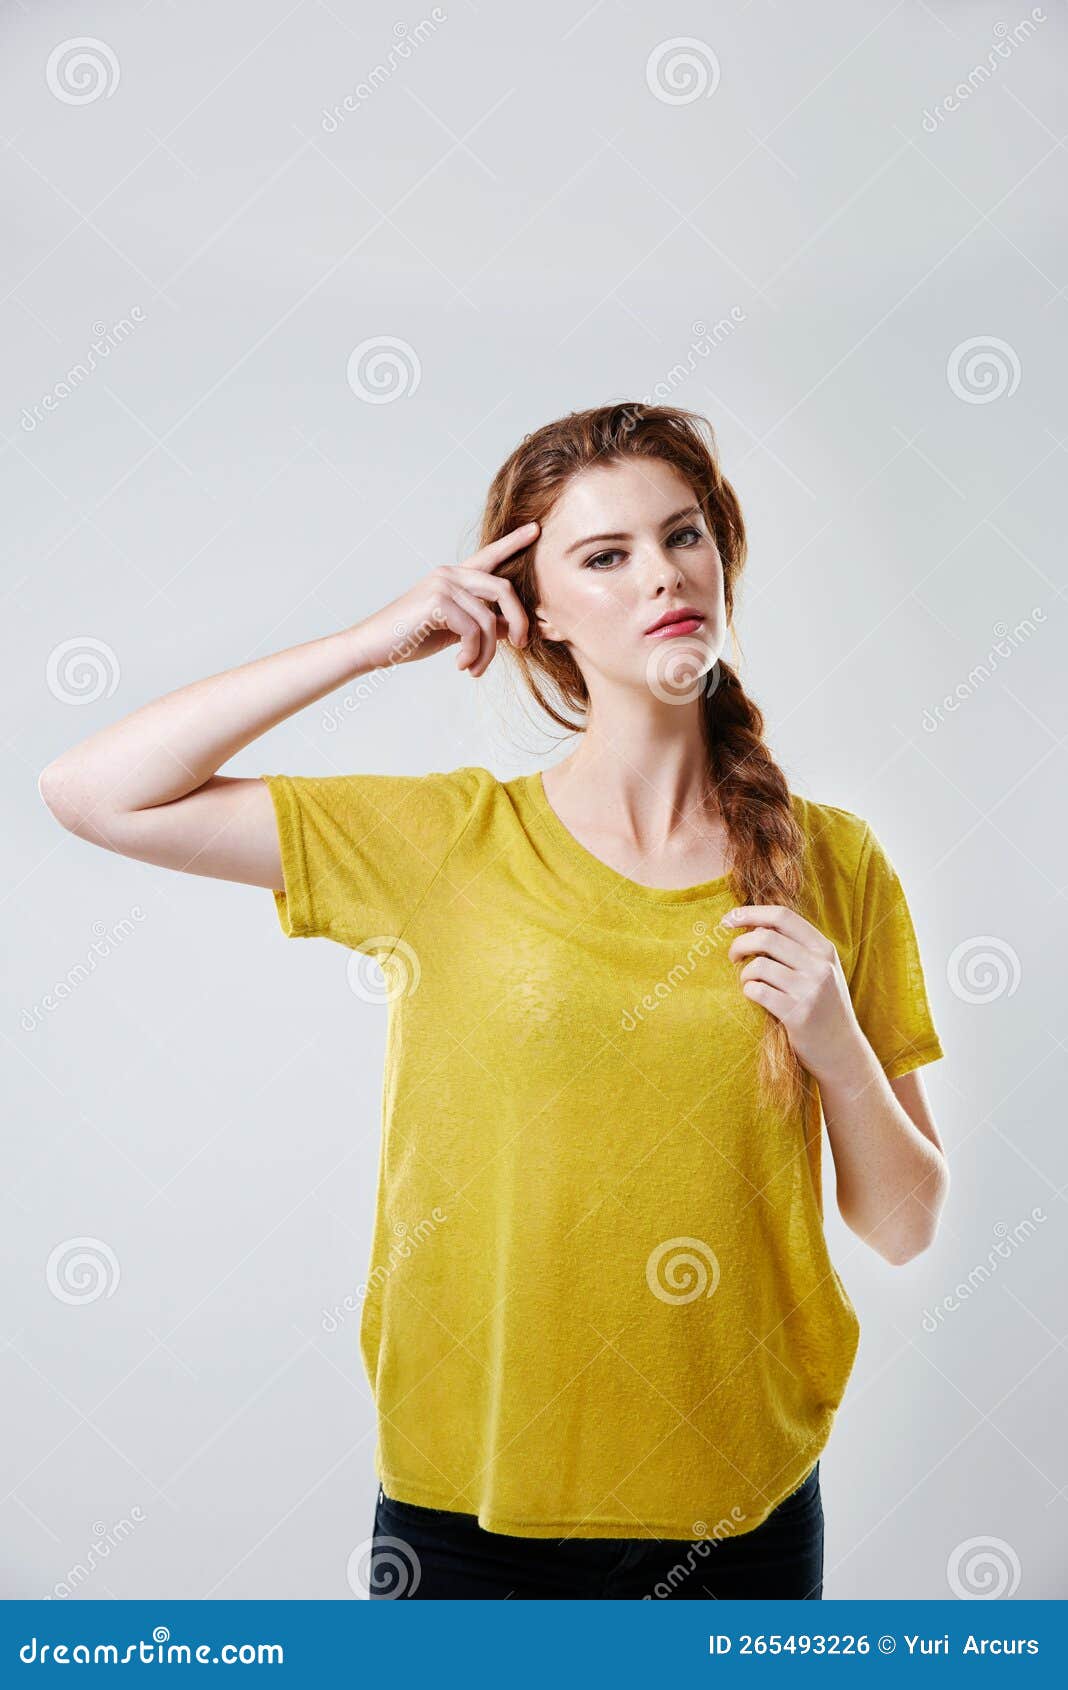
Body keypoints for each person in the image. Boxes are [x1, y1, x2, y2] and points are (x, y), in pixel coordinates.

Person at [39, 402, 949, 1601]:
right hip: (466, 1512)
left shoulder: (839, 863)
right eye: (605, 556)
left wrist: (835, 1043)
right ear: (539, 614)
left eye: (683, 536)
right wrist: (370, 641)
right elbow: (94, 791)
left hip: (741, 1517)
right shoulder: (449, 842)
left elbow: (904, 1222)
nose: (663, 575)